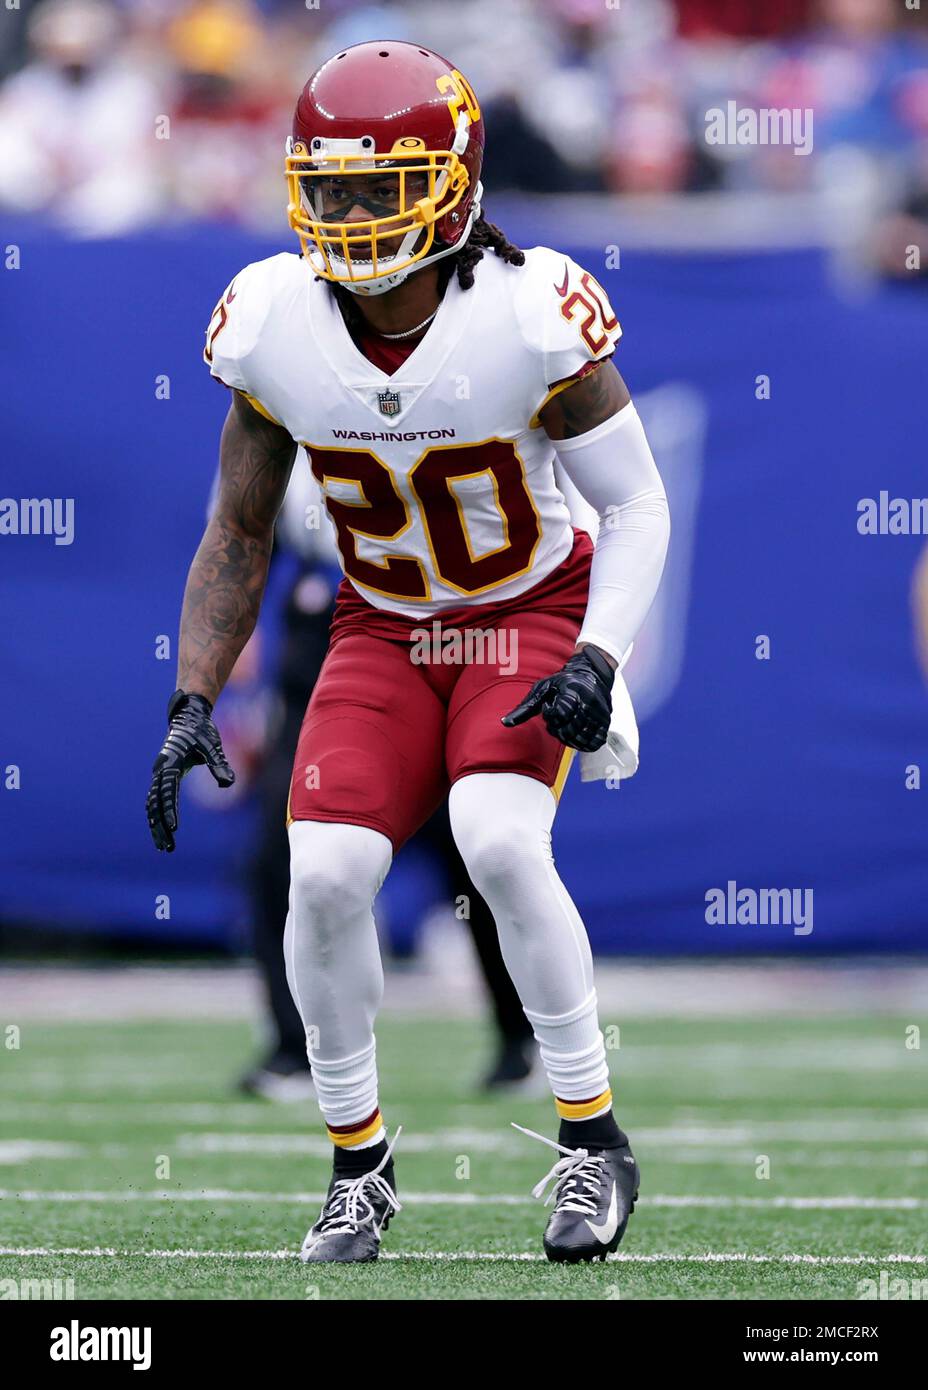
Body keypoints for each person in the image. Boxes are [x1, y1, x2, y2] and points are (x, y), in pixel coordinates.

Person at [147, 40, 670, 1265]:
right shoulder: (273, 321)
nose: (346, 211)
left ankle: (593, 1141)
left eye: (377, 184)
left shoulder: (530, 309)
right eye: (325, 186)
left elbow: (638, 505)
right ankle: (358, 1165)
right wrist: (190, 697)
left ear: (450, 182)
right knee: (321, 874)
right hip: (383, 624)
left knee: (496, 838)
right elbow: (235, 527)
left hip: (524, 610)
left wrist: (598, 654)